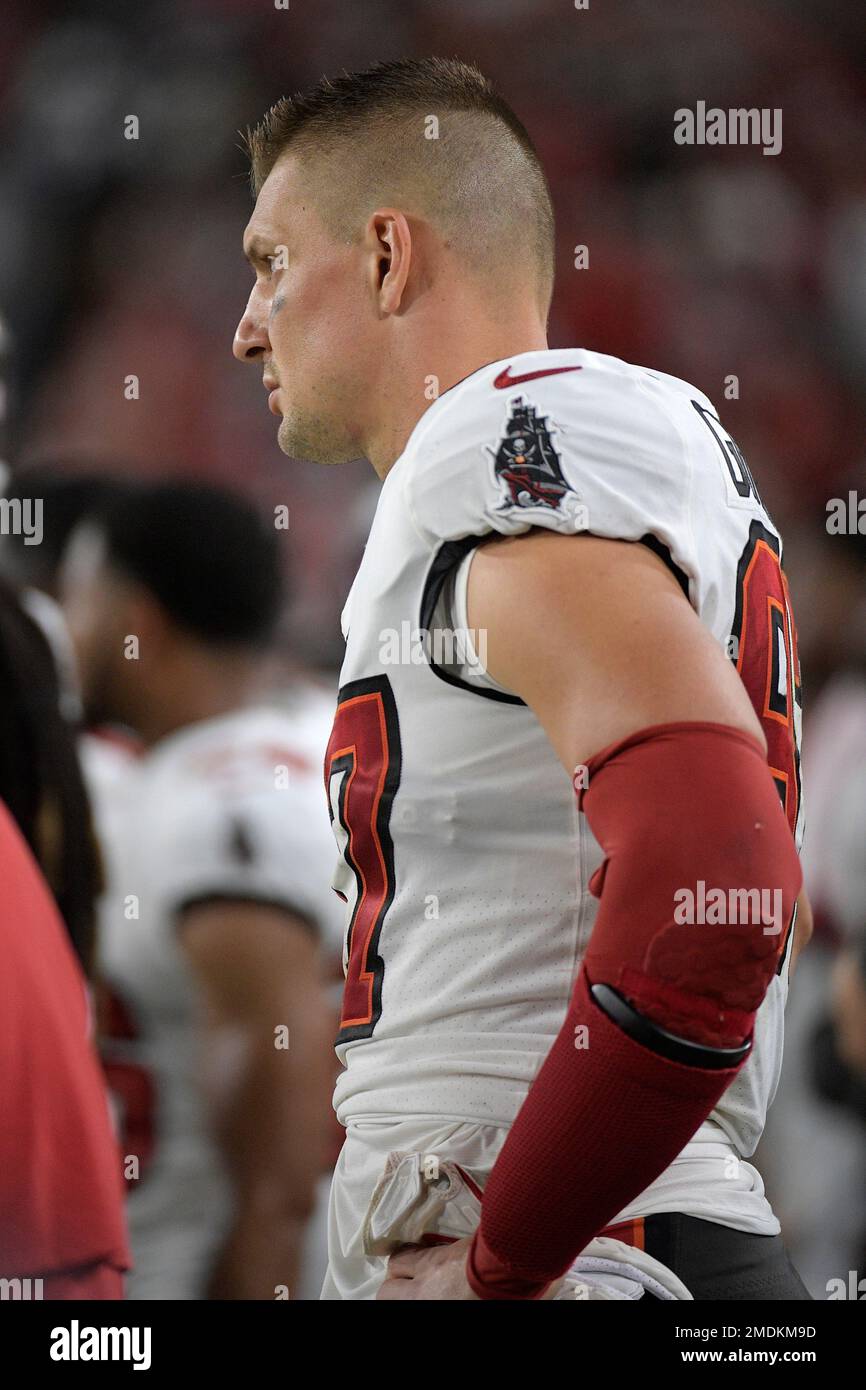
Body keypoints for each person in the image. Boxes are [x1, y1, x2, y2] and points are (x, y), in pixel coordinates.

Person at [233, 56, 811, 1301]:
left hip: (587, 1250)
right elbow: (766, 892)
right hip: (635, 1222)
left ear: (387, 256)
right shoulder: (605, 460)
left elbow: (719, 878)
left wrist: (504, 1261)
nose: (245, 322)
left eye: (272, 260)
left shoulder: (500, 436)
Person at [59, 479, 343, 1299]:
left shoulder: (219, 818)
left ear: (136, 620)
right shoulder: (303, 733)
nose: (69, 631)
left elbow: (275, 1187)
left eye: (82, 600)